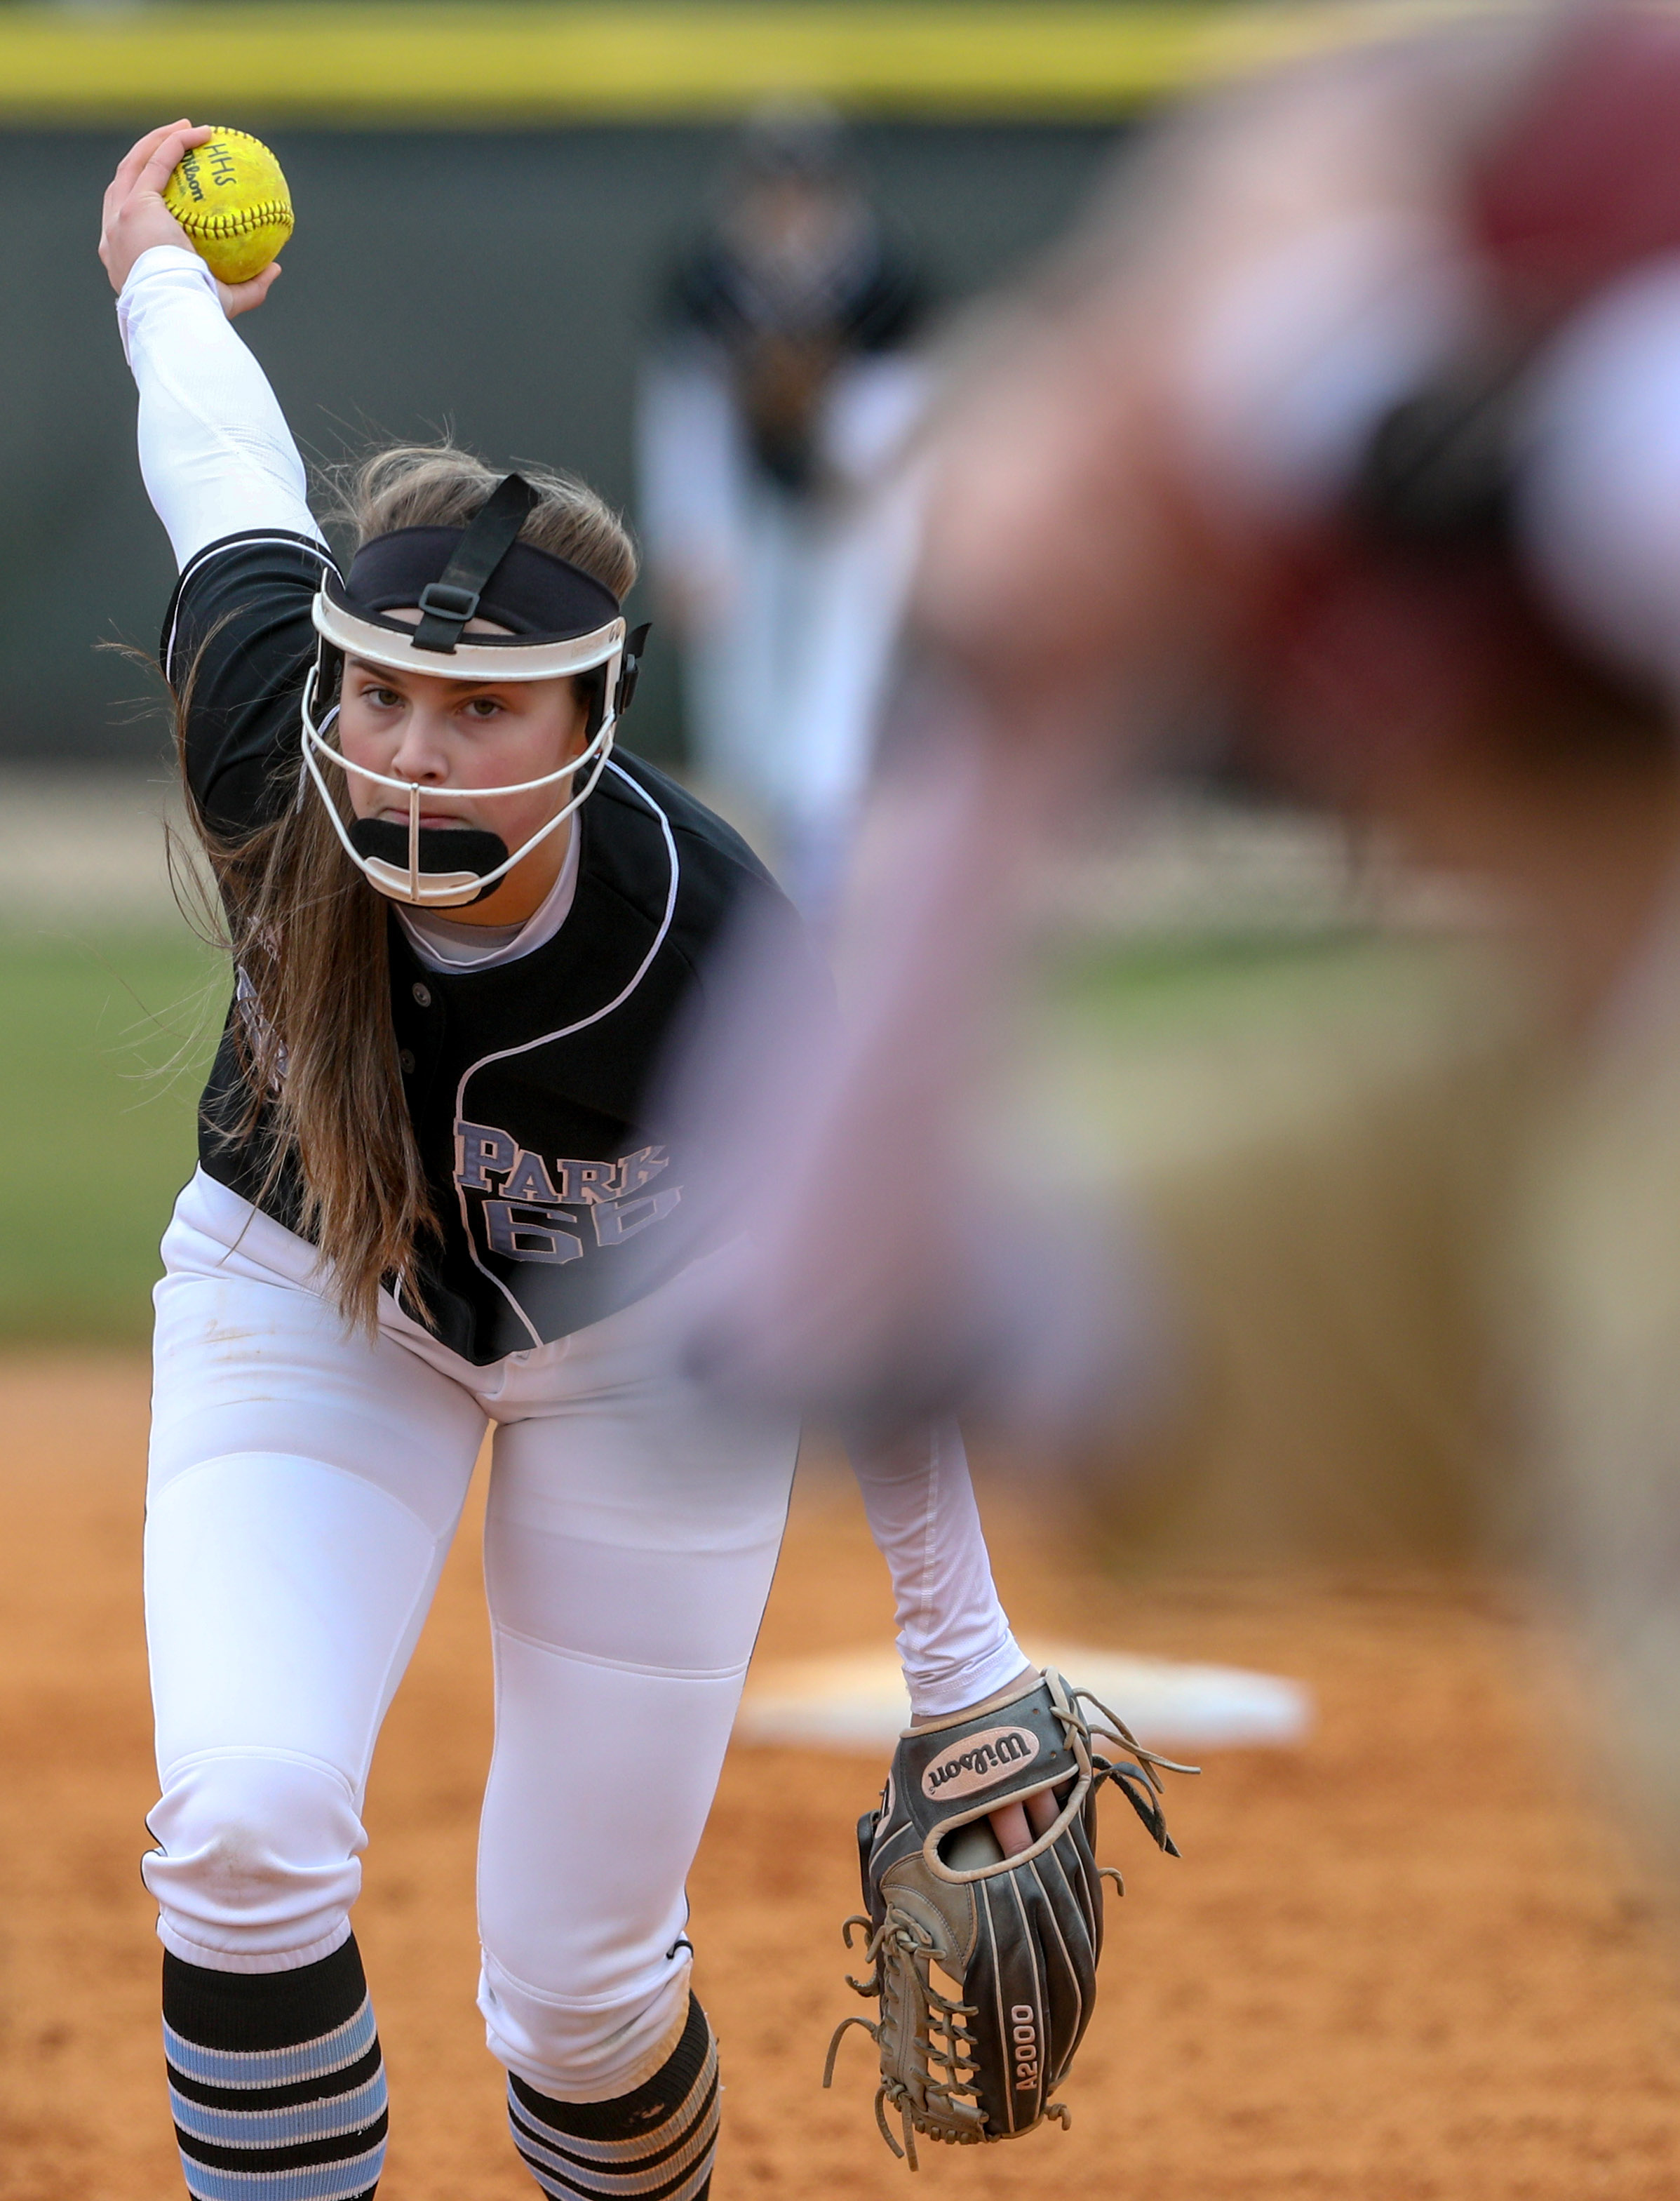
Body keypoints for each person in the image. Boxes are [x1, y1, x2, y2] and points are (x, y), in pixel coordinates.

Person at [99, 120, 1039, 2201]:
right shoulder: (275, 736)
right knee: (246, 1834)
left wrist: (961, 1656)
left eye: (479, 707)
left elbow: (857, 1273)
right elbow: (217, 469)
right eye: (385, 690)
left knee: (582, 1986)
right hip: (307, 1283)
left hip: (648, 1374)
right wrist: (156, 275)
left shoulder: (705, 942)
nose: (411, 744)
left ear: (595, 716)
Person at [636, 105, 929, 923]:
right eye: (776, 189)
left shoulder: (883, 282)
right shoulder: (708, 281)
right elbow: (684, 418)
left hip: (854, 508)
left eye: (807, 189)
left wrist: (846, 462)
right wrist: (691, 537)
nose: (790, 209)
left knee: (838, 684)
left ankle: (824, 870)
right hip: (747, 505)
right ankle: (754, 867)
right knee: (744, 706)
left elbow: (902, 417)